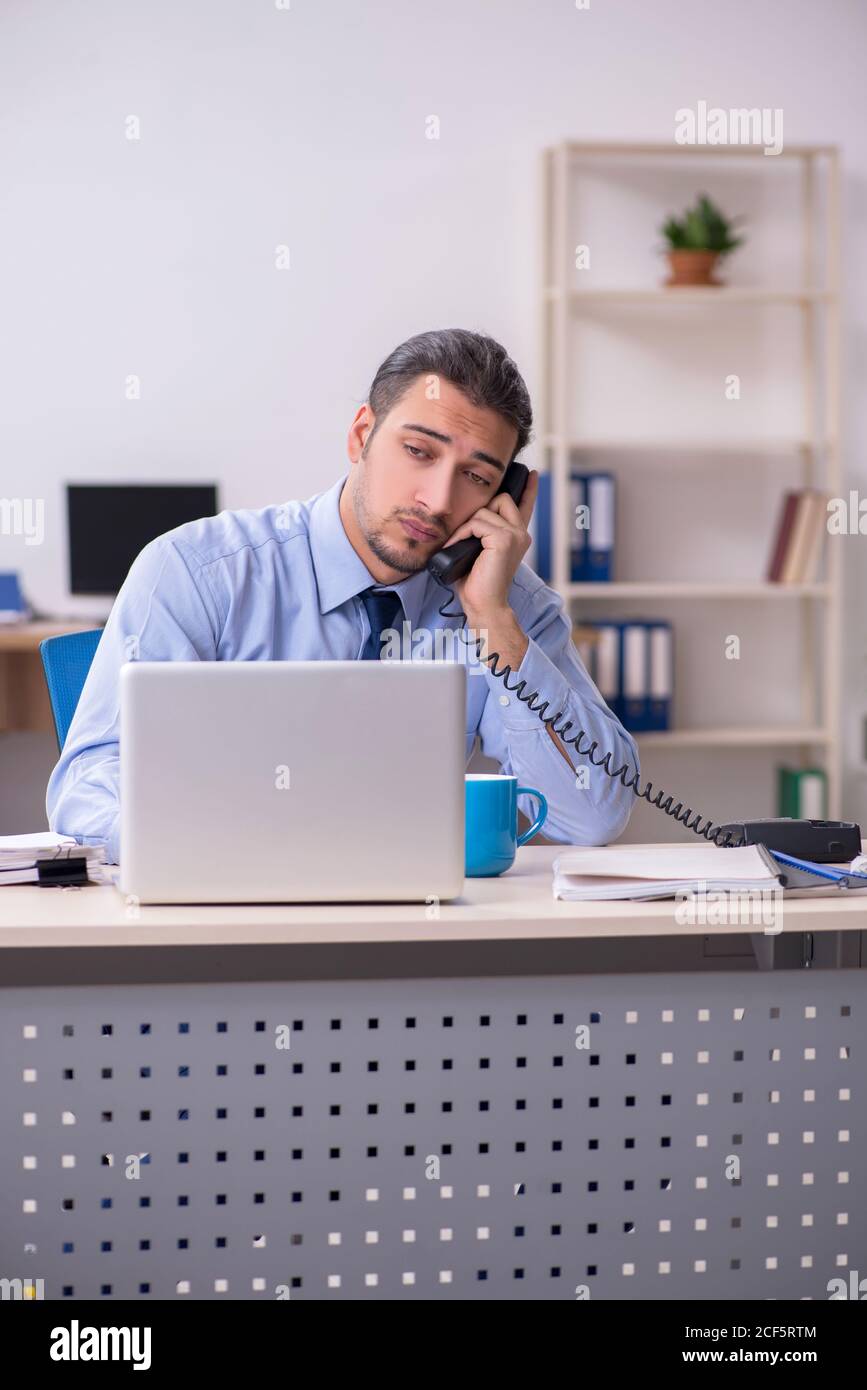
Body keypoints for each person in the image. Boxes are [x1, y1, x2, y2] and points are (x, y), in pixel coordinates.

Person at [47, 327, 639, 864]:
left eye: (476, 477)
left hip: (415, 924)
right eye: (419, 451)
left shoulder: (507, 604)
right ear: (362, 436)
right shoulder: (198, 571)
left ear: (503, 496)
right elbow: (89, 788)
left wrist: (493, 621)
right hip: (225, 909)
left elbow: (591, 816)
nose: (436, 499)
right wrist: (228, 848)